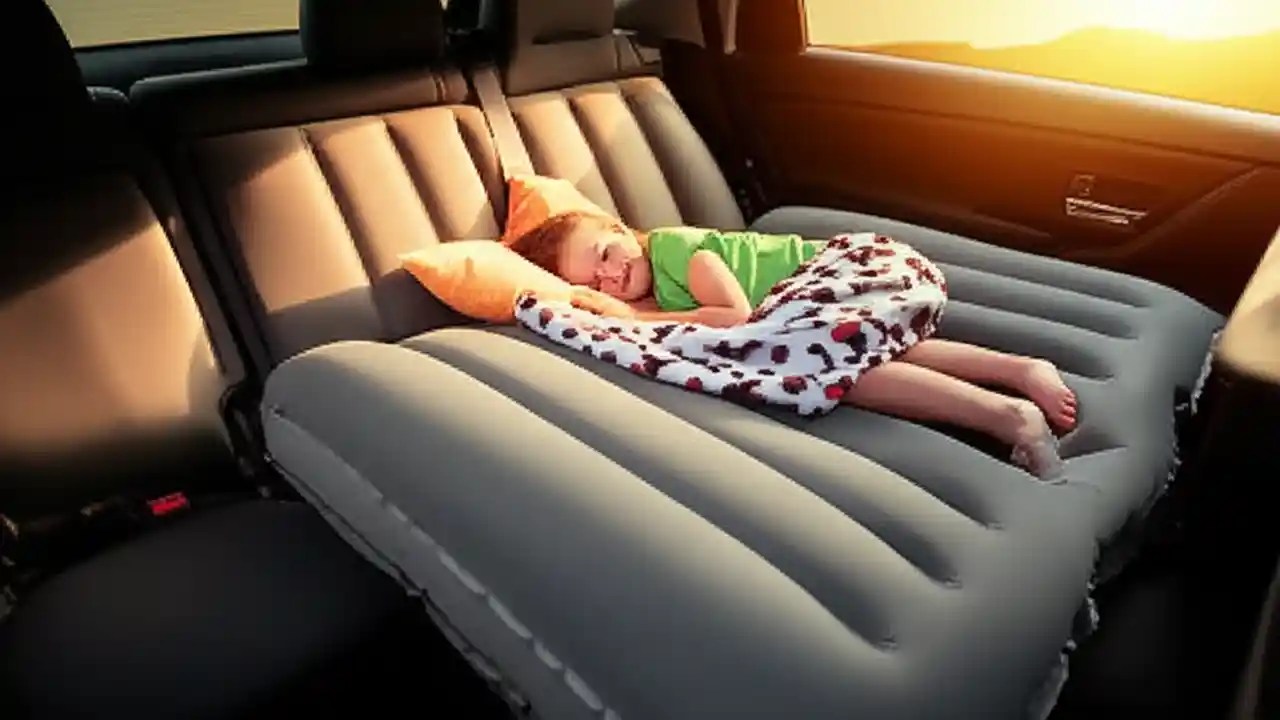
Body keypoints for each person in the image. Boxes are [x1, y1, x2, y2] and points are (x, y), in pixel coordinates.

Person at [510, 211, 1077, 477]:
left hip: (859, 265)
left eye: (607, 256)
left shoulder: (679, 252)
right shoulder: (653, 282)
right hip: (860, 286)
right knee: (850, 344)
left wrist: (633, 319)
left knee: (806, 356)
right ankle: (1021, 369)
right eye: (592, 284)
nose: (610, 279)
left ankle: (1008, 417)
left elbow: (735, 318)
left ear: (621, 231)